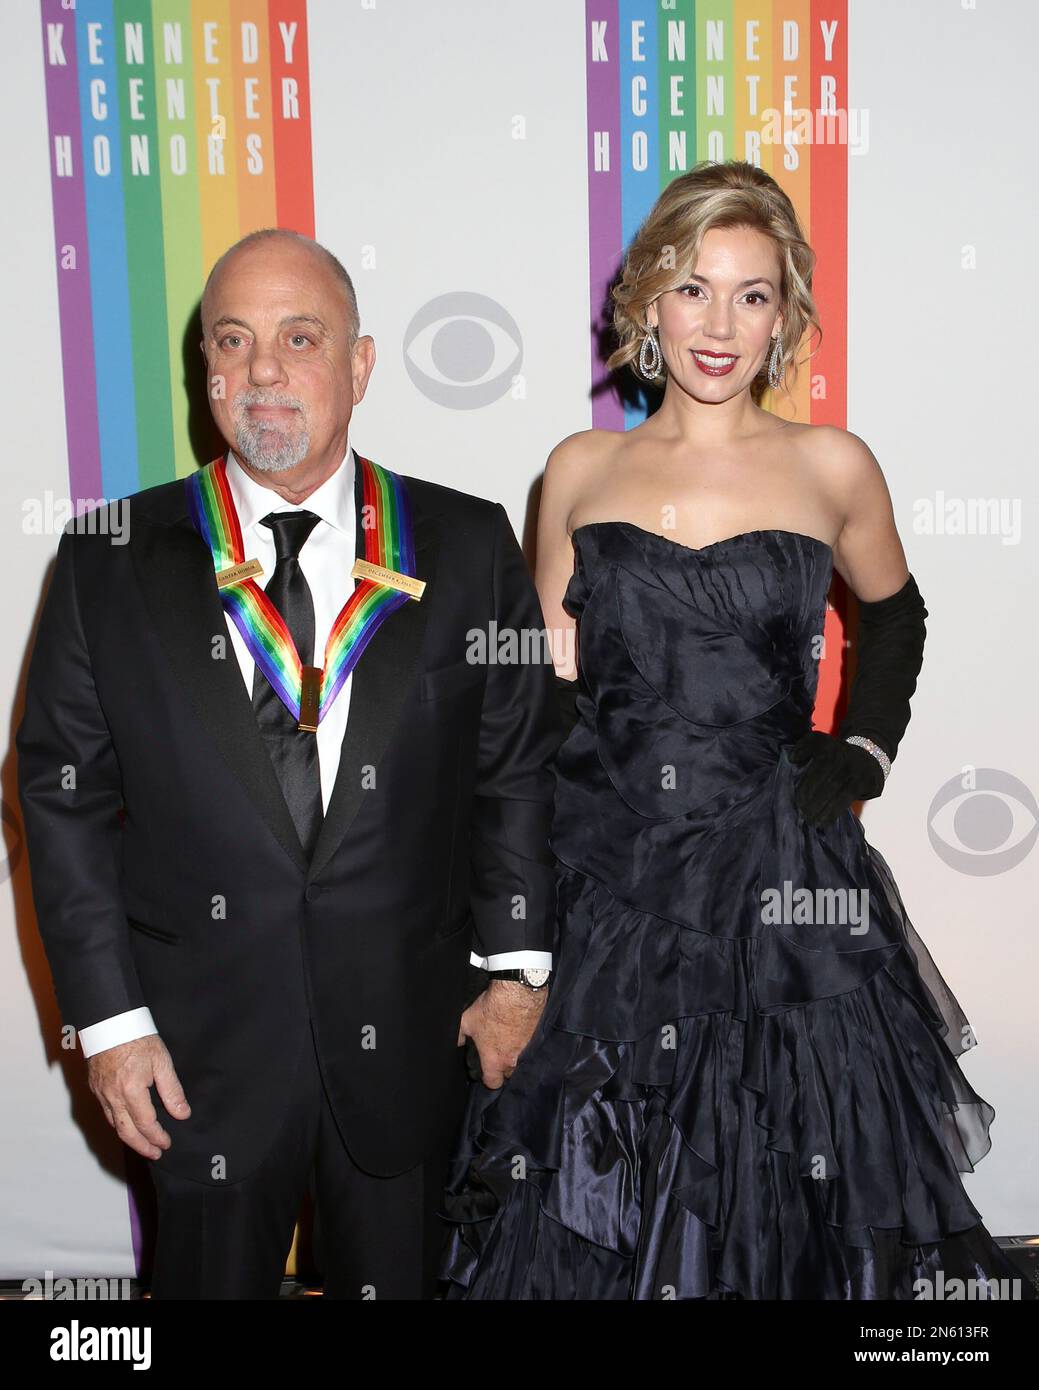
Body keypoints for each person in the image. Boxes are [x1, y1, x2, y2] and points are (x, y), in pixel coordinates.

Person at [438, 160, 1033, 1300]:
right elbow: (541, 701)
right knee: (587, 1185)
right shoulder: (577, 470)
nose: (719, 323)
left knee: (794, 1184)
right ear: (648, 304)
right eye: (694, 287)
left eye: (752, 294)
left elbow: (895, 613)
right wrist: (508, 901)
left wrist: (860, 747)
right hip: (608, 876)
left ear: (785, 314)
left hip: (779, 878)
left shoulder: (831, 465)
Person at [16, 228, 562, 1299]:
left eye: (298, 338)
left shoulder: (464, 544)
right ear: (205, 370)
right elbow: (59, 803)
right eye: (234, 340)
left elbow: (516, 771)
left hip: (415, 1036)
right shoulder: (106, 560)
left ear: (358, 366)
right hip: (195, 1055)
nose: (262, 370)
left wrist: (517, 971)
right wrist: (113, 1028)